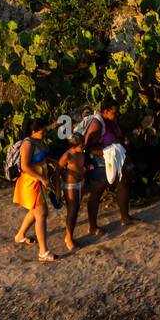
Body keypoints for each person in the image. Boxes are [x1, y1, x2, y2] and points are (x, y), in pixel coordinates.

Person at [82, 99, 134, 235]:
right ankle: (92, 226)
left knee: (123, 184)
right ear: (105, 112)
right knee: (97, 191)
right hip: (100, 162)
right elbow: (86, 147)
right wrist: (106, 152)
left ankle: (125, 217)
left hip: (114, 159)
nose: (116, 115)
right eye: (114, 112)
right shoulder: (97, 125)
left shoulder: (111, 121)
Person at [13, 117, 57, 261]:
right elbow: (25, 166)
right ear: (34, 131)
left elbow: (44, 157)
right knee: (42, 213)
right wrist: (42, 178)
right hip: (32, 181)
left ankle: (20, 236)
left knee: (35, 211)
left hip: (40, 179)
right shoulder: (28, 143)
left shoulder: (40, 139)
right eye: (43, 129)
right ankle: (43, 252)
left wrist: (54, 163)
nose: (45, 131)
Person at [58, 130, 87, 251]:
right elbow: (56, 173)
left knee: (76, 210)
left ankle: (70, 236)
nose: (83, 146)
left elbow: (80, 166)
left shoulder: (82, 152)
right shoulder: (67, 156)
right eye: (82, 145)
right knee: (72, 211)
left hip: (80, 183)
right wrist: (58, 191)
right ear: (74, 146)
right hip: (70, 186)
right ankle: (68, 238)